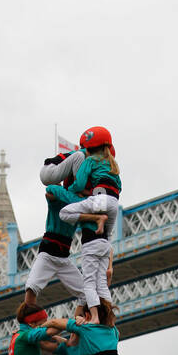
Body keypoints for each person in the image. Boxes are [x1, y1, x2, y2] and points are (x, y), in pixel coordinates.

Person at [49, 127, 121, 319]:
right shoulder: (113, 165)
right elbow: (118, 188)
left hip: (98, 204)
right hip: (113, 204)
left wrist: (71, 192)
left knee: (65, 211)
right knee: (107, 240)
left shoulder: (89, 161)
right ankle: (109, 318)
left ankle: (97, 317)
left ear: (87, 148)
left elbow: (80, 184)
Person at [23, 149, 85, 309]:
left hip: (64, 258)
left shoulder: (80, 204)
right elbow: (49, 191)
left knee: (86, 295)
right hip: (47, 254)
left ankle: (79, 330)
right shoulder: (57, 196)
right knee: (31, 289)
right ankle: (26, 326)